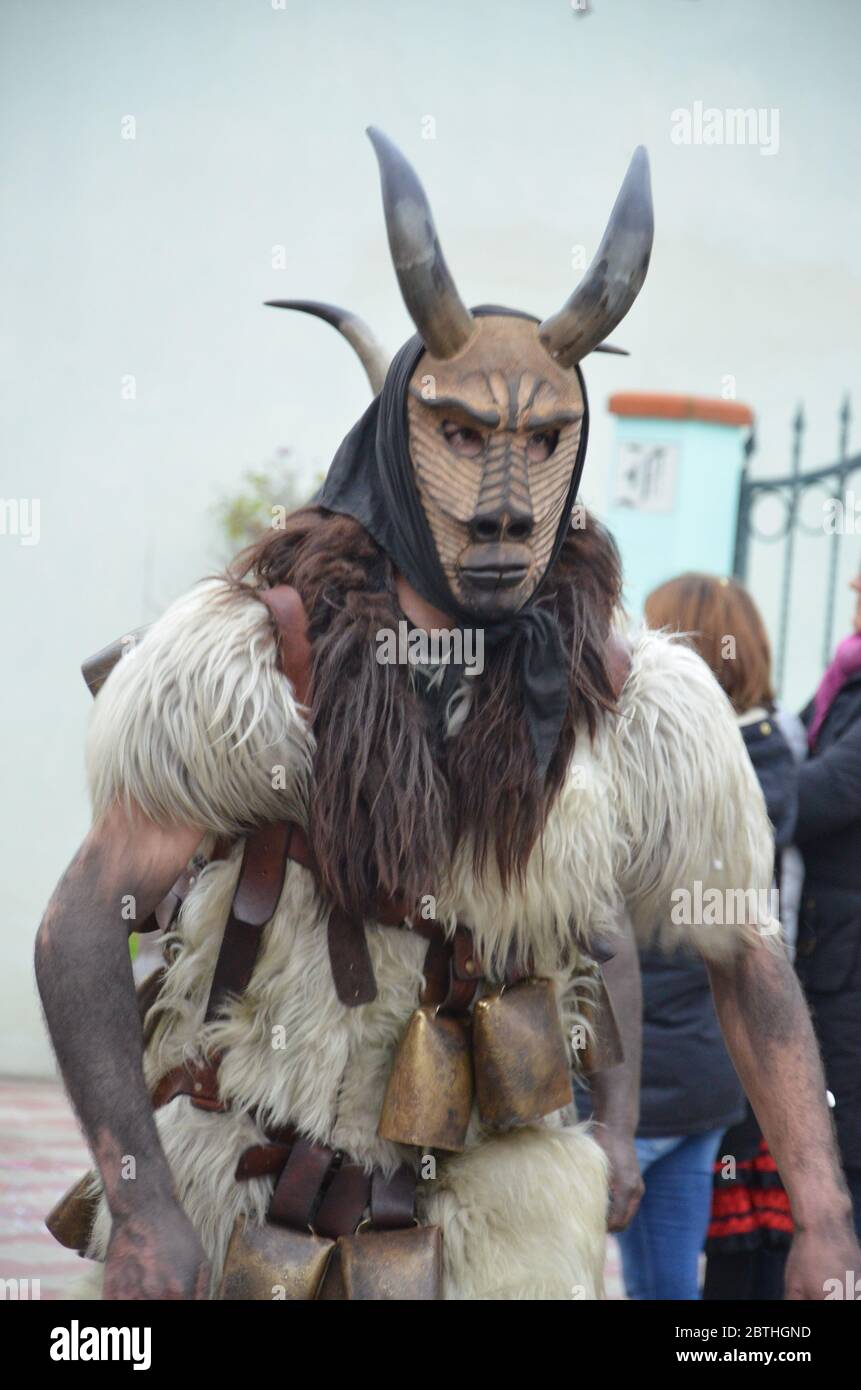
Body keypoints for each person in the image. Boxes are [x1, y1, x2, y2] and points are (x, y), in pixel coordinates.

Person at [35, 129, 858, 1301]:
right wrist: (140, 1201)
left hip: (508, 1241)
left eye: (539, 442)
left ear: (576, 453)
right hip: (256, 1213)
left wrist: (822, 1219)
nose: (506, 504)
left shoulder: (632, 702)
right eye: (464, 436)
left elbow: (742, 961)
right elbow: (79, 928)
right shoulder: (260, 659)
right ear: (400, 444)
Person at [638, 574, 798, 1301]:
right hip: (704, 1073)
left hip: (636, 1076)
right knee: (669, 1285)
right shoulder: (772, 759)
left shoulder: (668, 770)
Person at [795, 566, 861, 1239]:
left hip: (847, 961)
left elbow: (825, 793)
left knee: (847, 1155)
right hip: (831, 949)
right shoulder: (842, 678)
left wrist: (737, 792)